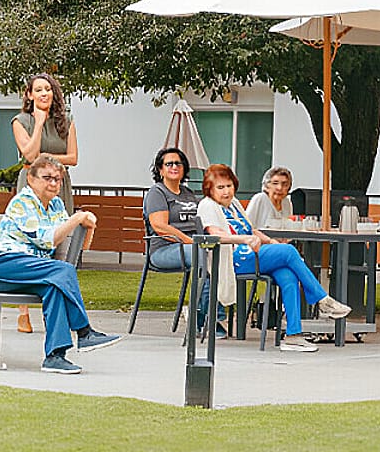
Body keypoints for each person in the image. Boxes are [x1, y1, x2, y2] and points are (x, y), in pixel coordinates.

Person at [0, 155, 122, 374]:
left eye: (57, 179)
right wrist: (77, 217)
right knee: (63, 270)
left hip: (31, 269)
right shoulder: (22, 202)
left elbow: (80, 245)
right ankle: (84, 332)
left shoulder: (56, 204)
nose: (54, 183)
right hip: (2, 264)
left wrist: (90, 227)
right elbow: (48, 239)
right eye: (47, 178)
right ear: (31, 179)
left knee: (53, 288)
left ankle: (55, 356)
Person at [197, 164, 351, 353]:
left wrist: (269, 240)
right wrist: (244, 239)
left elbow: (251, 229)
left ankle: (293, 335)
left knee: (288, 275)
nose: (226, 191)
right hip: (233, 257)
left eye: (229, 186)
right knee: (288, 251)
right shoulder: (207, 205)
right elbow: (215, 235)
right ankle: (322, 300)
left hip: (251, 252)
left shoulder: (234, 204)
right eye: (220, 188)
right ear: (210, 189)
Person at [11, 71, 78, 335]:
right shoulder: (21, 121)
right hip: (30, 183)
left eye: (48, 89)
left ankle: (56, 308)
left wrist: (47, 156)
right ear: (29, 95)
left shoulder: (67, 120)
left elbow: (73, 157)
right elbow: (28, 154)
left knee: (60, 241)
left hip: (59, 184)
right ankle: (23, 313)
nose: (44, 94)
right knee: (27, 242)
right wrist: (38, 124)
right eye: (38, 89)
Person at [142, 147, 218, 334]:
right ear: (160, 169)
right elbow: (160, 227)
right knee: (202, 255)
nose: (174, 166)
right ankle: (207, 318)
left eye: (178, 163)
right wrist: (189, 242)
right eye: (169, 164)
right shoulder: (157, 192)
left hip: (192, 247)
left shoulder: (188, 193)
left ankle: (203, 317)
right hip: (164, 249)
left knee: (219, 255)